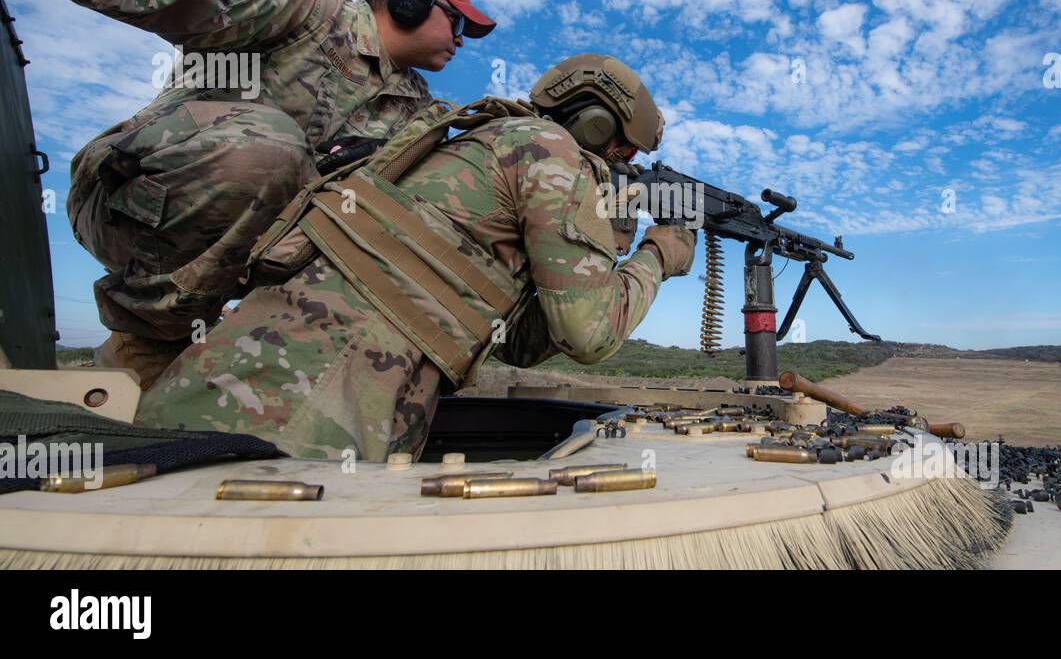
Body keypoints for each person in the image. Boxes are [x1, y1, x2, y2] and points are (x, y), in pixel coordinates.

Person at [0, 0, 495, 386]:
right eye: (458, 21)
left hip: (258, 244)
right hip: (132, 197)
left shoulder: (416, 110)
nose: (462, 40)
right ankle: (143, 348)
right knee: (271, 150)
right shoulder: (303, 11)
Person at [136, 54, 698, 461]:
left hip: (244, 386)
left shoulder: (486, 143)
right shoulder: (550, 150)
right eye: (622, 150)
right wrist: (658, 254)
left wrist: (603, 252)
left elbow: (520, 341)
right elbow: (591, 334)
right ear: (595, 124)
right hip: (301, 417)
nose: (621, 163)